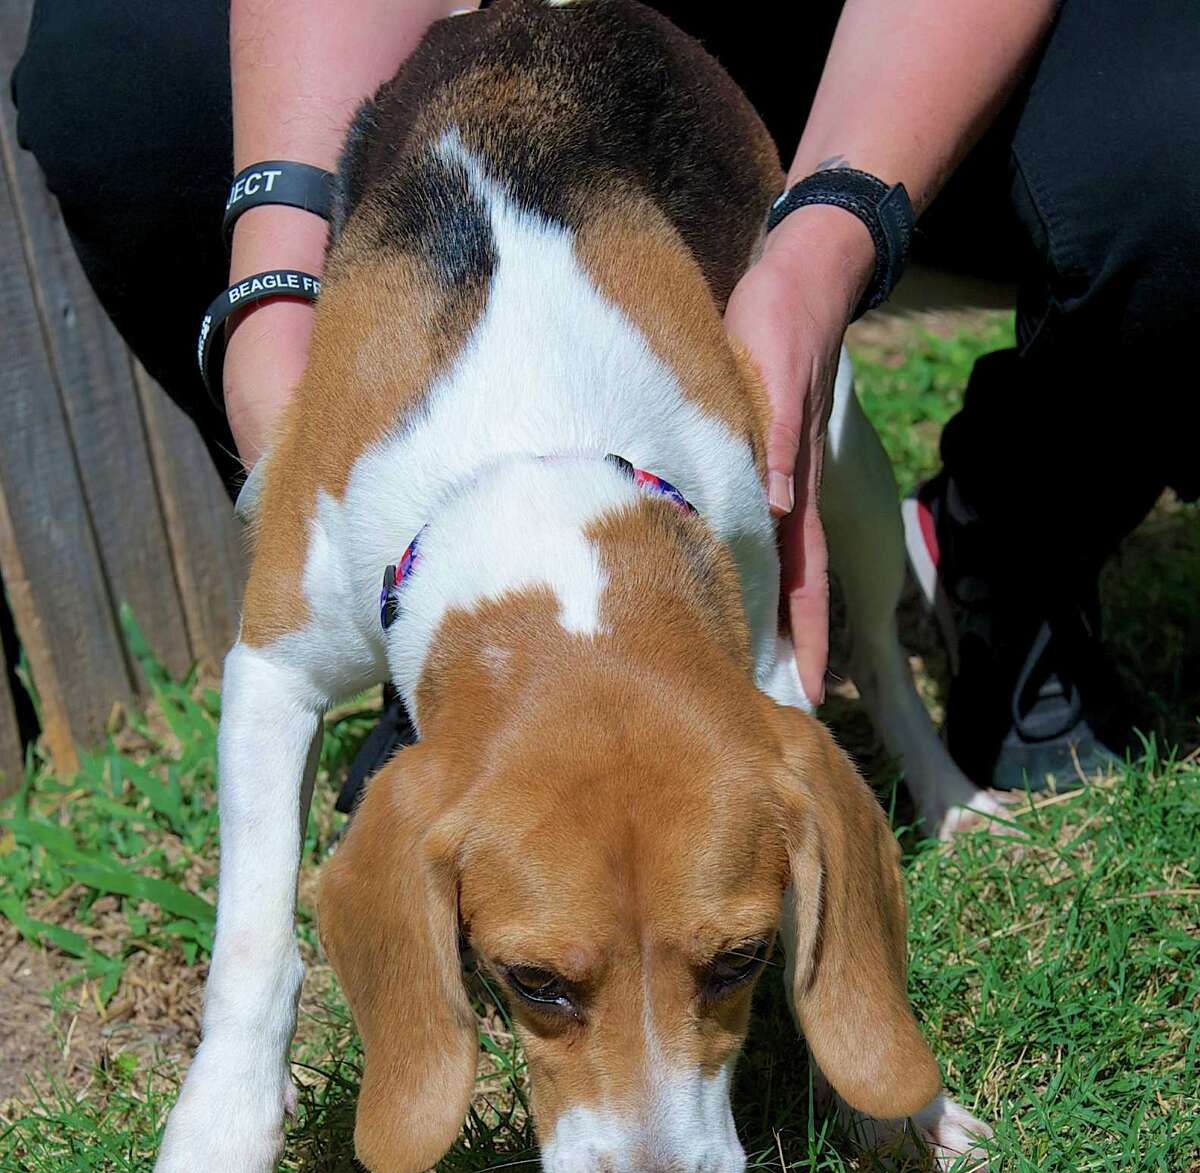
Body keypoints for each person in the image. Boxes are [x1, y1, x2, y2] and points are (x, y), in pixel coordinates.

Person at [13, 0, 1199, 793]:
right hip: (510, 49)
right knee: (121, 79)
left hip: (900, 48)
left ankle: (1008, 546)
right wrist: (280, 280)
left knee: (1177, 139)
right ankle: (443, 613)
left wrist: (828, 237)